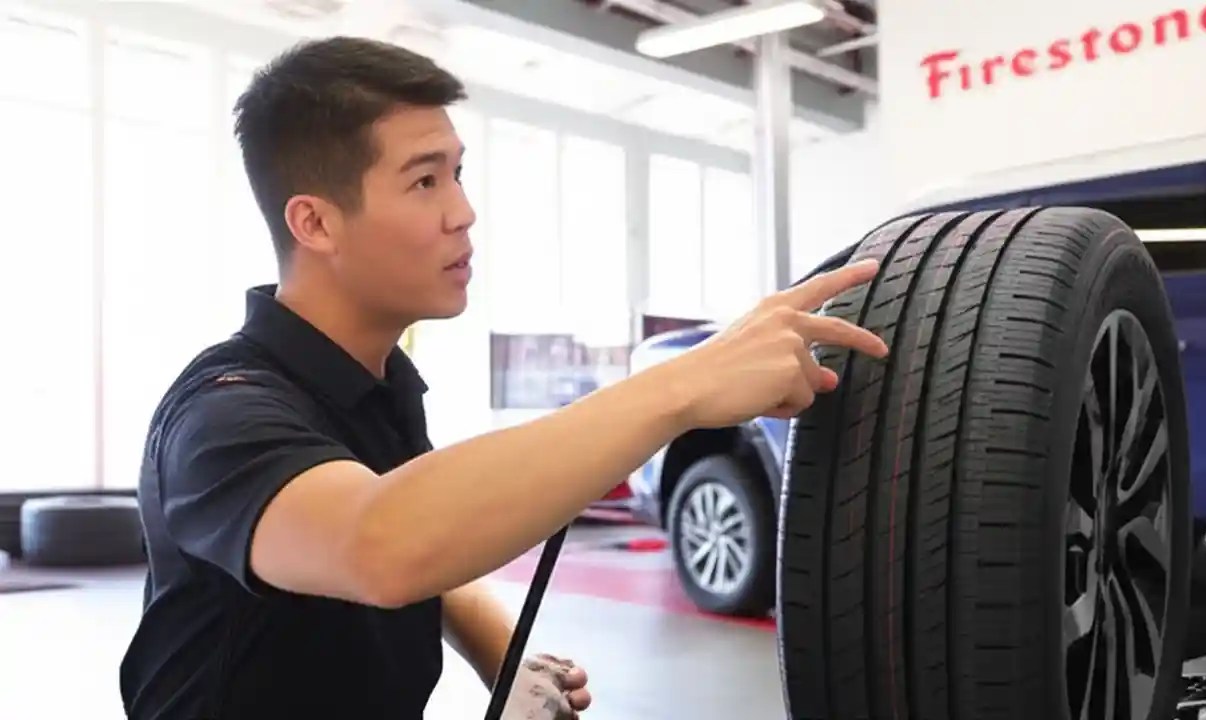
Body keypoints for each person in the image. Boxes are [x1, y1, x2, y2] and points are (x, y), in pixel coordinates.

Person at [117, 35, 888, 720]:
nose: (464, 213)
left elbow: (434, 546)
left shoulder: (377, 388)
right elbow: (381, 543)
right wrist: (682, 387)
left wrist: (506, 656)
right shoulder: (221, 417)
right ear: (314, 223)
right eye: (425, 183)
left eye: (457, 174)